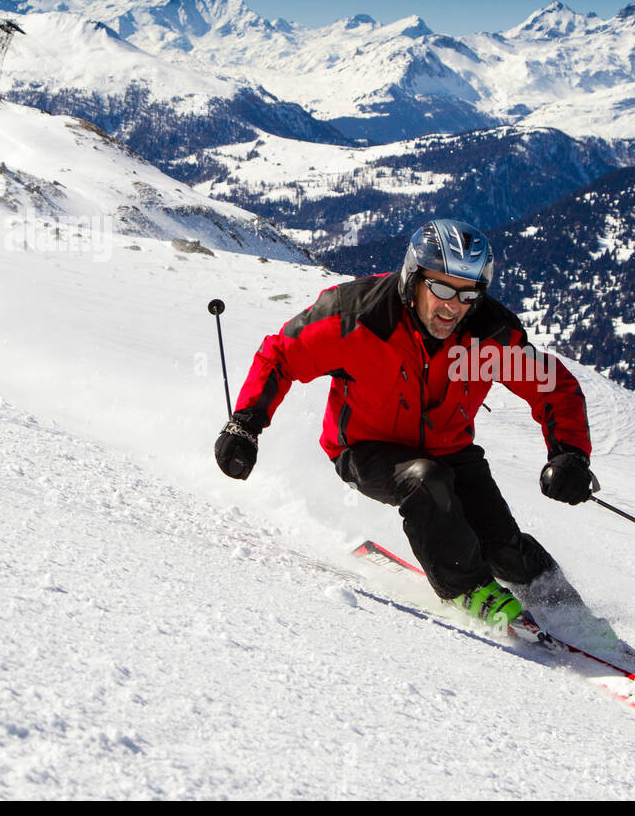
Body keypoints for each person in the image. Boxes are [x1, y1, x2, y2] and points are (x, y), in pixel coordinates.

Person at [214, 218, 595, 630]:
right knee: (425, 481)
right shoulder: (357, 317)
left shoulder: (489, 335)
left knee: (503, 547)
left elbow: (553, 387)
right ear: (413, 278)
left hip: (451, 448)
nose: (454, 306)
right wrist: (245, 425)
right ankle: (466, 586)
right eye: (442, 289)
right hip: (365, 448)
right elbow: (280, 356)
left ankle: (564, 607)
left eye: (469, 294)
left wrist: (569, 454)